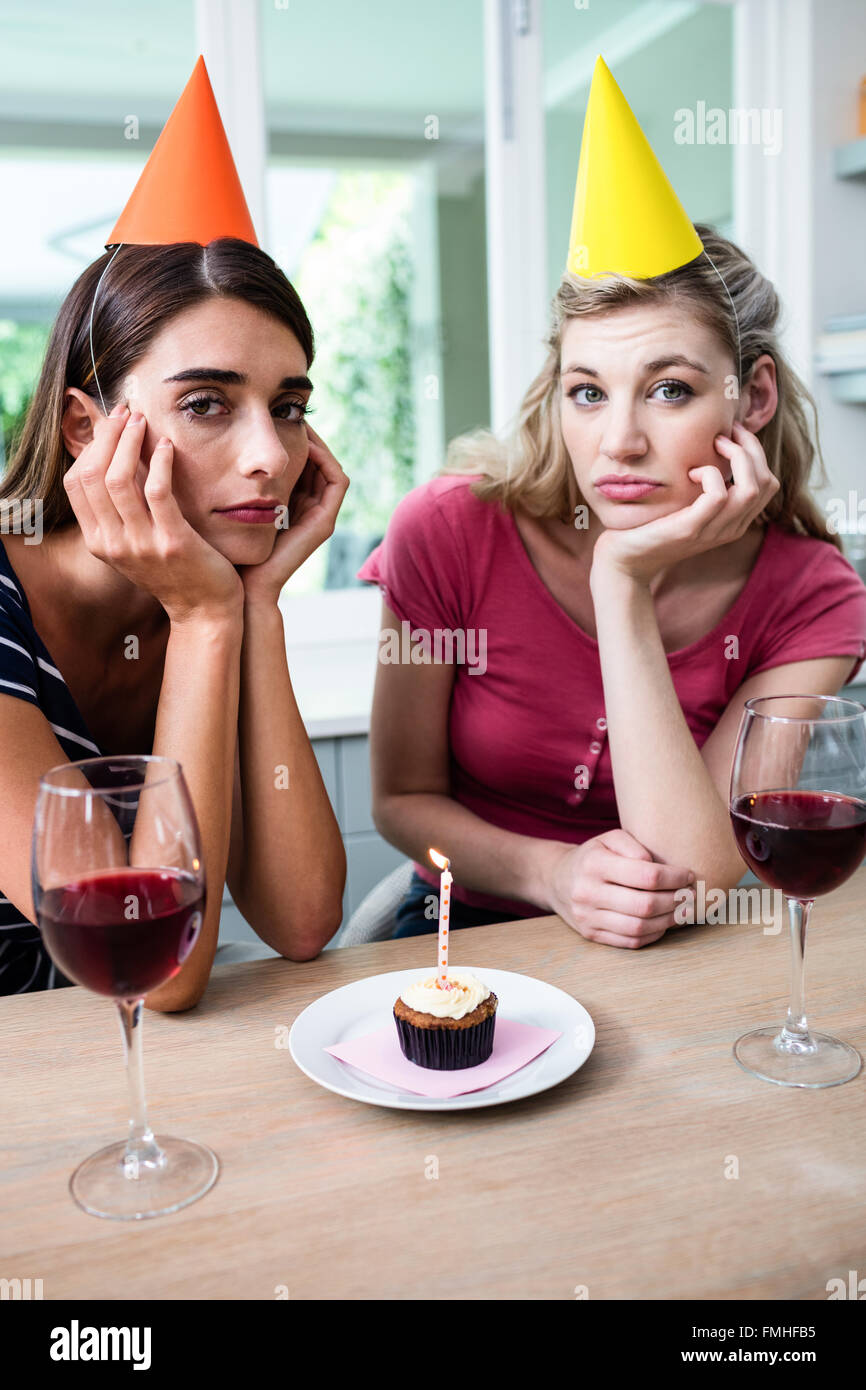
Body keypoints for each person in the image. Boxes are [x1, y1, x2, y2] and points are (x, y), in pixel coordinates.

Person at [357, 57, 866, 947]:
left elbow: (702, 872)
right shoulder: (447, 530)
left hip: (681, 959)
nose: (619, 441)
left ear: (752, 398)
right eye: (588, 391)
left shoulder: (814, 596)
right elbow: (402, 801)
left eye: (668, 389)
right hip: (464, 937)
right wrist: (550, 873)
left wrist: (622, 582)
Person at [0, 61, 348, 1000]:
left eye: (288, 406)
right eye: (206, 404)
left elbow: (303, 918)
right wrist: (205, 619)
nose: (270, 458)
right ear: (86, 427)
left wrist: (256, 606)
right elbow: (156, 970)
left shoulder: (213, 589)